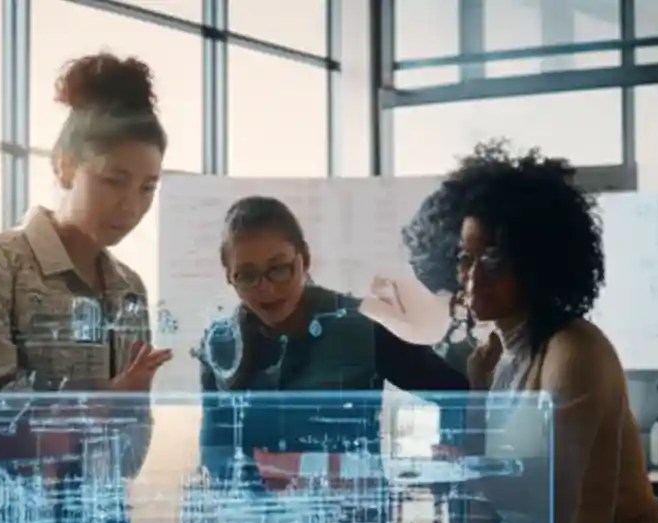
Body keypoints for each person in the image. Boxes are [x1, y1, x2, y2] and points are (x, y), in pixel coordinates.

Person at [394, 139, 658, 523]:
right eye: (465, 259)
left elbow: (569, 498)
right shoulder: (491, 356)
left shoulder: (574, 350)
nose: (473, 278)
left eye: (494, 259)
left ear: (536, 262)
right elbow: (501, 489)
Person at [0, 53, 172, 523]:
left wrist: (115, 411)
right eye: (115, 180)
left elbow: (131, 453)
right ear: (65, 166)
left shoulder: (128, 288)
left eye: (148, 187)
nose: (131, 205)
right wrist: (105, 401)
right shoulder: (0, 261)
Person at [198, 195, 469, 487]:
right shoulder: (220, 345)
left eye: (279, 268)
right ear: (229, 276)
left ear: (304, 259)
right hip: (255, 512)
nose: (266, 288)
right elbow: (216, 458)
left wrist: (448, 462)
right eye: (247, 275)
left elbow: (455, 391)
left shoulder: (361, 325)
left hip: (350, 509)